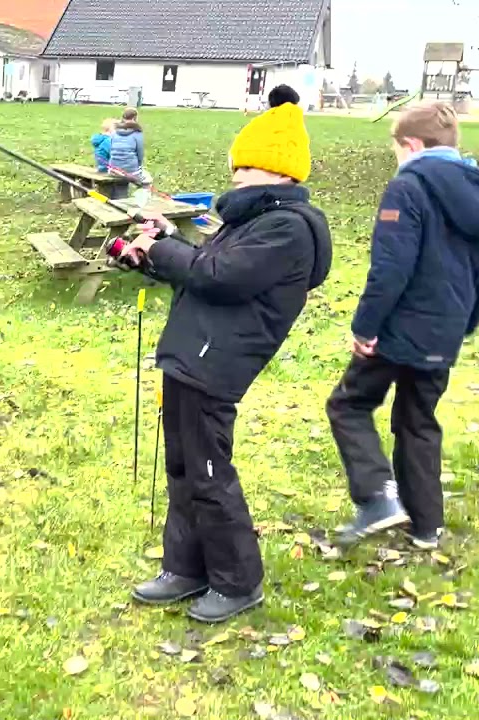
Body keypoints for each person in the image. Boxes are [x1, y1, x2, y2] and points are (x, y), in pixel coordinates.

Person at [121, 85, 333, 623]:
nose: (235, 175)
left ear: (280, 172)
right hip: (193, 353)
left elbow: (219, 277)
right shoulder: (253, 220)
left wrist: (166, 251)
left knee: (210, 470)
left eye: (246, 167)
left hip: (216, 364)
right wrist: (163, 243)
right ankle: (186, 568)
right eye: (237, 166)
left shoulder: (286, 228)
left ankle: (239, 582)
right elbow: (204, 266)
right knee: (183, 466)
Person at [326, 103, 479, 549]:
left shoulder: (408, 187)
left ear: (412, 145)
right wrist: (464, 324)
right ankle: (426, 526)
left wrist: (365, 328)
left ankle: (377, 497)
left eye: (397, 149)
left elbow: (391, 268)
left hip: (399, 330)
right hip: (444, 331)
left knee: (348, 405)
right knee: (418, 421)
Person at [107, 108, 152, 197]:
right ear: (135, 118)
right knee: (147, 181)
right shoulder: (137, 133)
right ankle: (142, 203)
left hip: (114, 169)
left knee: (120, 184)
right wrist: (138, 166)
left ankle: (118, 202)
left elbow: (111, 149)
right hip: (131, 170)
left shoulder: (115, 132)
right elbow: (140, 153)